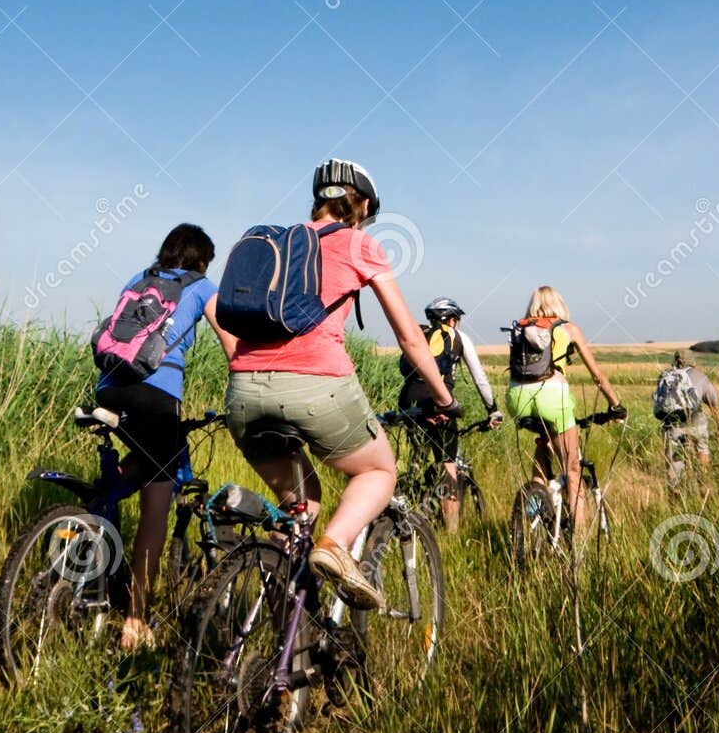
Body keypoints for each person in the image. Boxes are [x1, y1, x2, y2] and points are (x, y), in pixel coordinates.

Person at [224, 160, 456, 610]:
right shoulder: (359, 244)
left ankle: (283, 624)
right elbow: (409, 336)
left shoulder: (277, 242)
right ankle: (334, 547)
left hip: (244, 392)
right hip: (317, 386)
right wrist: (444, 397)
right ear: (362, 204)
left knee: (301, 506)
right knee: (377, 471)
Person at [95, 223, 237, 650]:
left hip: (109, 385)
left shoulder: (139, 279)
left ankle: (98, 508)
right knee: (158, 498)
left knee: (142, 460)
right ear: (201, 260)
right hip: (156, 395)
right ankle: (135, 622)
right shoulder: (202, 285)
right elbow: (232, 347)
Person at [505, 285, 625, 532]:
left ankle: (534, 512)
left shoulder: (521, 329)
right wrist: (616, 405)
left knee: (542, 450)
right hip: (553, 398)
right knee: (572, 470)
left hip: (516, 399)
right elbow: (598, 376)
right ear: (559, 305)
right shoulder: (567, 329)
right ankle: (578, 544)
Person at [400, 297, 501, 531]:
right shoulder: (458, 337)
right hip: (438, 402)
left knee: (417, 457)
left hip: (408, 400)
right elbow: (479, 378)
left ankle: (406, 505)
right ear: (452, 319)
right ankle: (451, 532)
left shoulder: (419, 335)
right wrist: (492, 409)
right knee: (449, 466)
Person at [653, 350, 719, 489]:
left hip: (672, 424)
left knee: (673, 463)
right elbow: (713, 403)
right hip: (695, 421)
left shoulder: (664, 376)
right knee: (702, 448)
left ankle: (675, 493)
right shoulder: (700, 376)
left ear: (675, 361)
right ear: (692, 361)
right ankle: (704, 483)